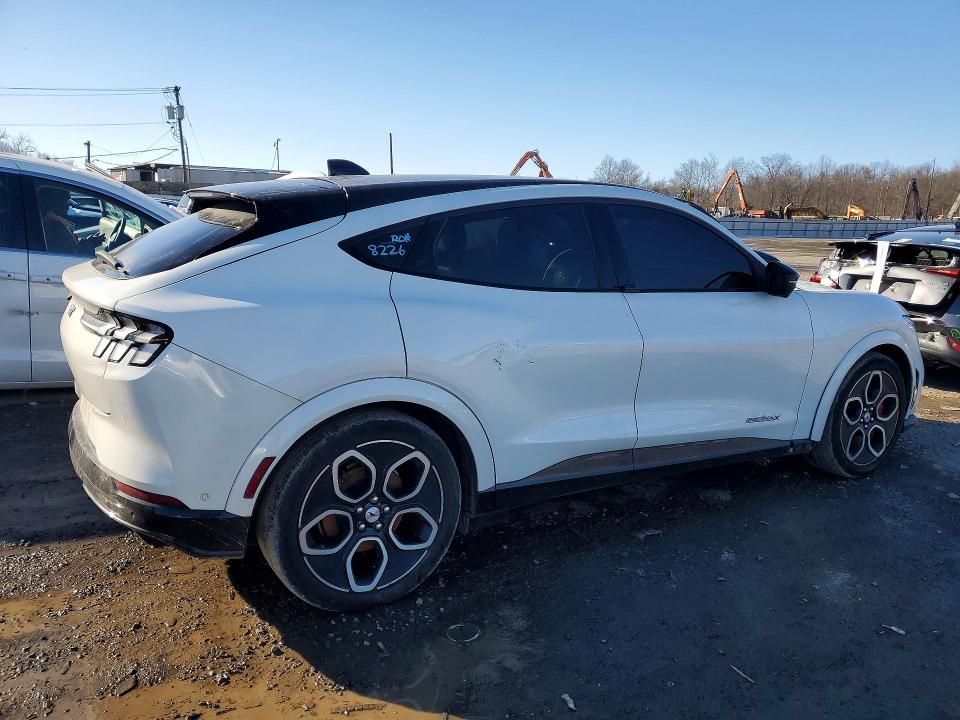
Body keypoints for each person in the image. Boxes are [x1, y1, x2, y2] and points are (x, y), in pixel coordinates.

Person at [37, 186, 78, 253]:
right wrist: (92, 243)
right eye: (65, 201)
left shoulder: (45, 220)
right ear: (54, 201)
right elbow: (73, 253)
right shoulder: (54, 226)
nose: (68, 206)